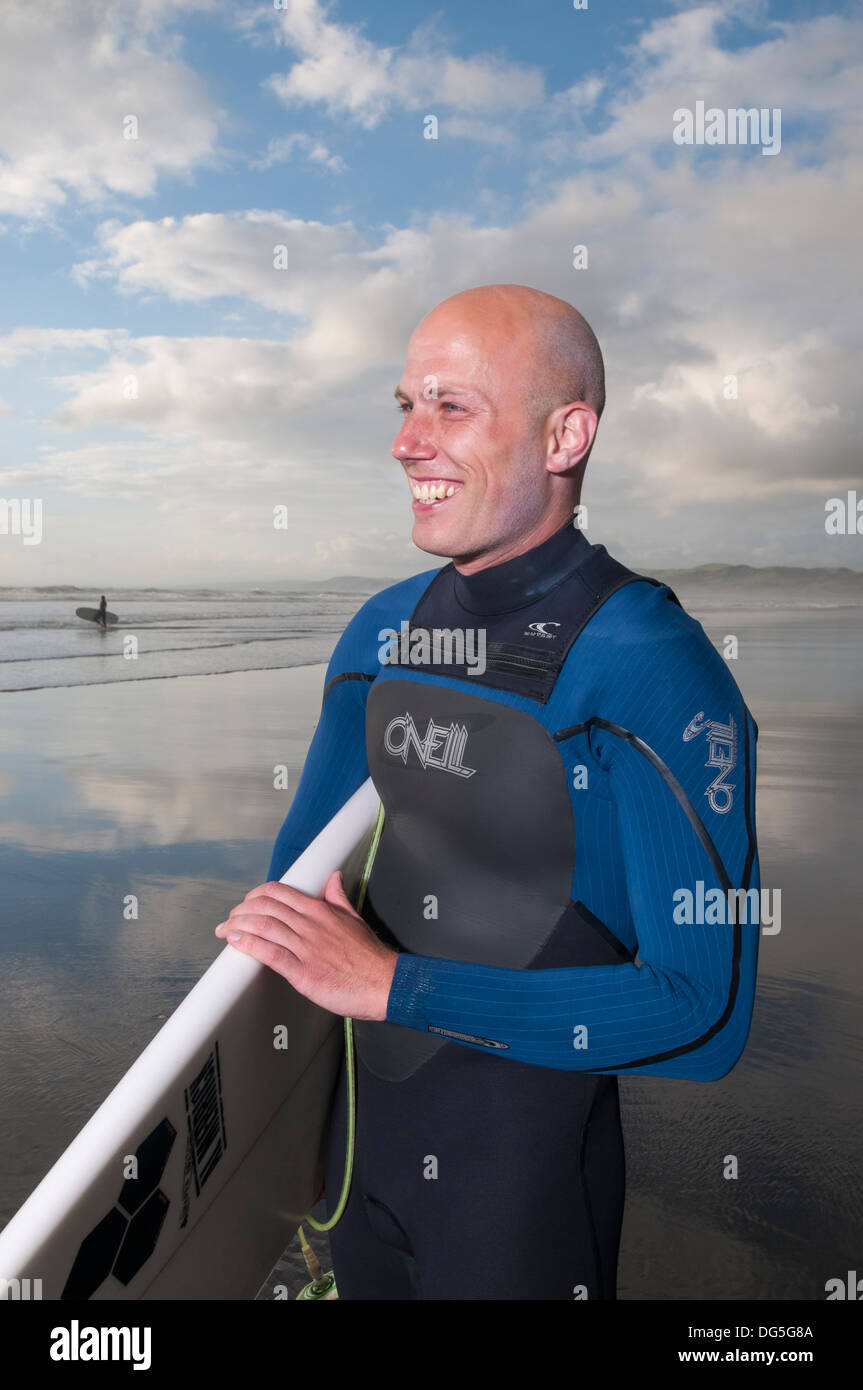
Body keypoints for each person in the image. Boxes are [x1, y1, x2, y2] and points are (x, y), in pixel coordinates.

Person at [215, 284, 760, 1300]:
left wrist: (393, 988)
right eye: (402, 406)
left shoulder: (651, 664)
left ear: (565, 435)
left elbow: (702, 1012)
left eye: (450, 408)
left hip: (518, 1204)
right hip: (356, 1171)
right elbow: (297, 892)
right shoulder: (380, 632)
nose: (405, 443)